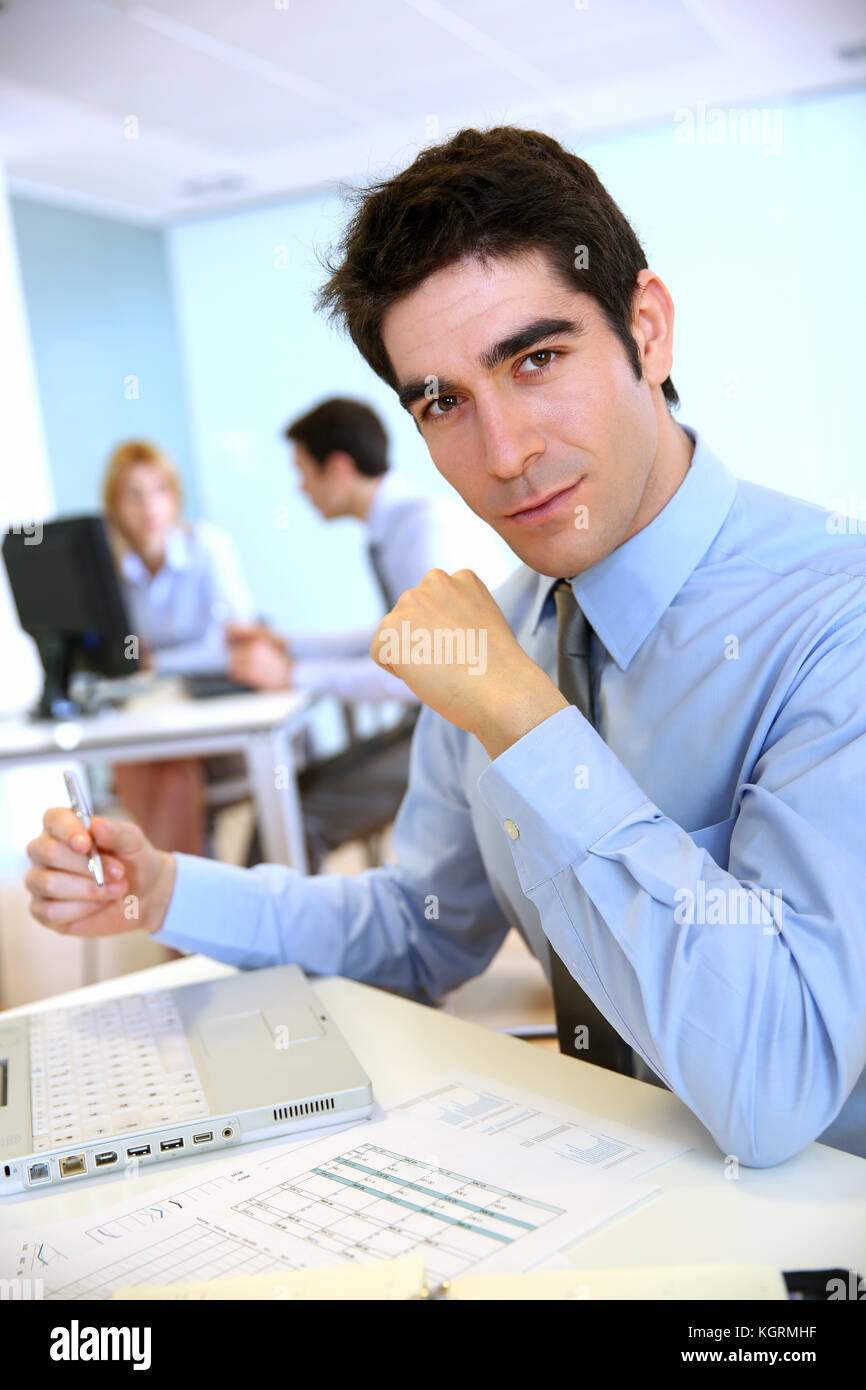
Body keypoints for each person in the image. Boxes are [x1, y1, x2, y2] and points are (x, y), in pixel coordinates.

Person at [25, 127, 866, 1167]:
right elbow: (419, 927)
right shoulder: (501, 623)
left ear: (646, 331)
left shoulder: (839, 615)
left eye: (537, 358)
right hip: (598, 1171)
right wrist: (168, 890)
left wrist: (523, 718)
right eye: (443, 402)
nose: (505, 454)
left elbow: (776, 1087)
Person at [226, 397, 514, 868]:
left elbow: (422, 668)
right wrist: (288, 648)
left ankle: (272, 939)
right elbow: (393, 638)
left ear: (338, 469)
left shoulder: (422, 530)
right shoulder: (399, 526)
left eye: (302, 472)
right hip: (438, 719)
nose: (300, 490)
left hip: (470, 735)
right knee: (292, 796)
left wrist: (294, 675)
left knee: (294, 814)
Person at [103, 440, 256, 855]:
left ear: (175, 496)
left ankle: (178, 893)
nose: (149, 505)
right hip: (154, 720)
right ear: (114, 505)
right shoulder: (111, 571)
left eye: (159, 489)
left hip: (216, 713)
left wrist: (159, 661)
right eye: (133, 494)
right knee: (140, 756)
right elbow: (119, 659)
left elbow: (234, 642)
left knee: (167, 766)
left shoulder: (207, 546)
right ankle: (185, 887)